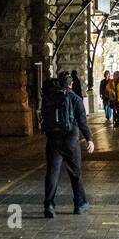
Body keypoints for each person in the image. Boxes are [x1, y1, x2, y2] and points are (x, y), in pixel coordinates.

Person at [41, 71, 93, 218]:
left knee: (52, 172)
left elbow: (44, 116)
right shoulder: (76, 99)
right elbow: (82, 121)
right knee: (75, 173)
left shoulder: (50, 98)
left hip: (53, 140)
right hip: (71, 140)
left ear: (58, 83)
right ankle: (79, 204)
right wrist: (89, 138)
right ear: (71, 84)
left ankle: (49, 205)